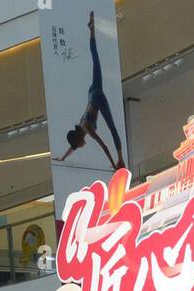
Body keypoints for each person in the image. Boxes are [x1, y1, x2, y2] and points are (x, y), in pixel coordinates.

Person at [58, 11, 126, 171]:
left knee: (112, 127)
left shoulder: (87, 128)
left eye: (79, 146)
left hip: (97, 97)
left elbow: (104, 146)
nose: (81, 147)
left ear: (79, 139)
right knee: (95, 58)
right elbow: (73, 147)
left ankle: (121, 159)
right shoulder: (82, 128)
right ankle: (92, 29)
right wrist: (62, 157)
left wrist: (115, 164)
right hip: (92, 93)